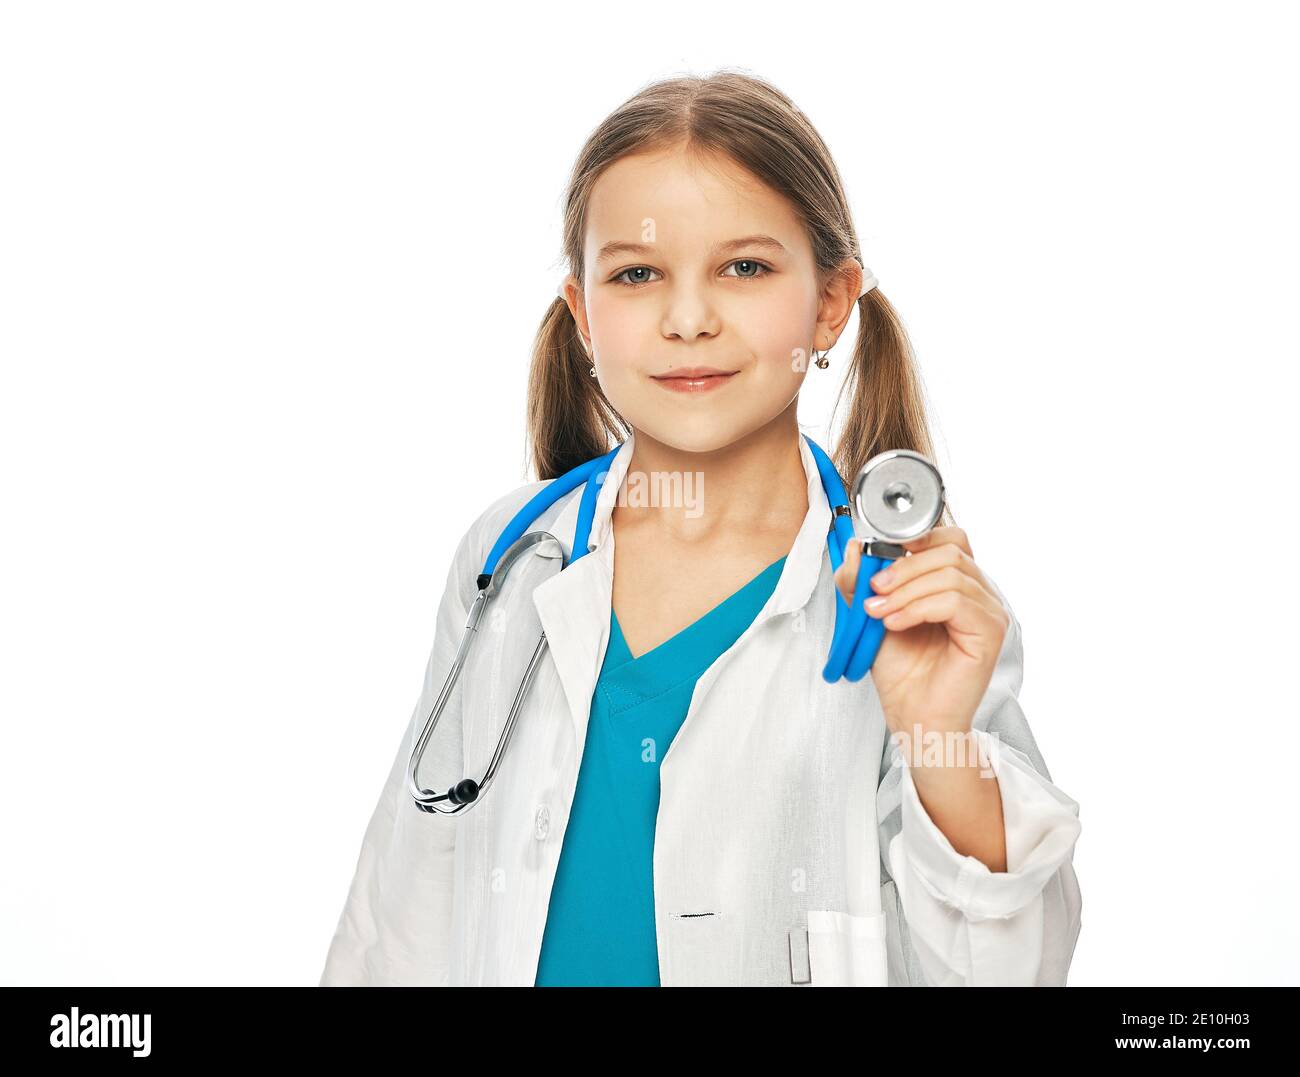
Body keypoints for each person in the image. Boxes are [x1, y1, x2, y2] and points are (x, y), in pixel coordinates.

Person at [319, 69, 1082, 987]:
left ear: (831, 301)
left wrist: (937, 740)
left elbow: (1013, 967)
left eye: (746, 267)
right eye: (637, 275)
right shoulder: (513, 559)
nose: (689, 319)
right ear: (584, 314)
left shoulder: (902, 603)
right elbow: (404, 915)